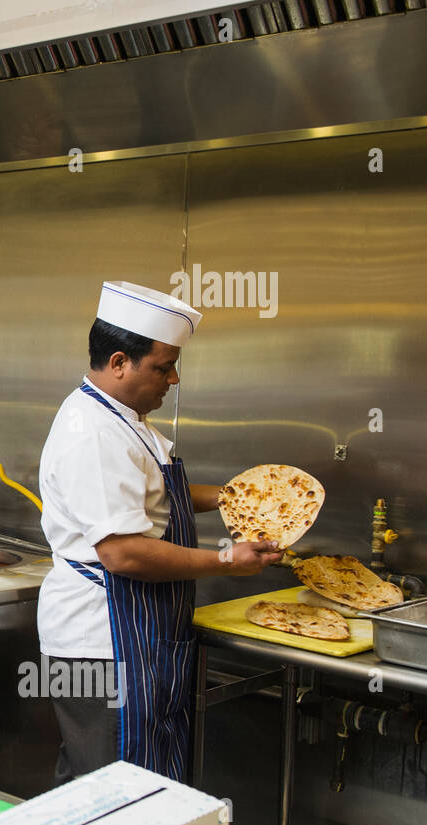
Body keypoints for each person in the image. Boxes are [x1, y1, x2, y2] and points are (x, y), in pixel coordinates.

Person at [37, 280, 284, 783]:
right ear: (120, 361)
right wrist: (225, 560)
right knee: (104, 785)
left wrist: (238, 496)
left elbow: (152, 493)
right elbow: (125, 553)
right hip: (102, 643)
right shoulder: (95, 434)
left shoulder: (125, 419)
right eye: (163, 366)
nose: (174, 378)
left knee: (139, 780)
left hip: (139, 634)